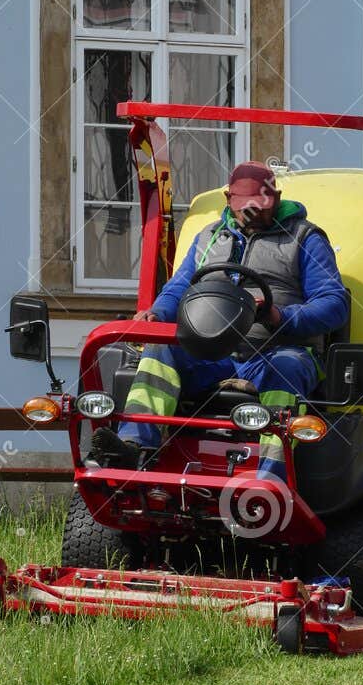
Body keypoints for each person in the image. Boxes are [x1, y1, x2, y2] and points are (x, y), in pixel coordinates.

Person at [88, 161, 348, 482]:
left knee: (288, 367)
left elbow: (334, 304)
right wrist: (157, 313)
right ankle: (133, 447)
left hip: (276, 351)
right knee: (160, 351)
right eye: (245, 207)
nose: (254, 214)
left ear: (277, 198)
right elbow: (178, 289)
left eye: (263, 206)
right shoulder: (207, 238)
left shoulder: (305, 239)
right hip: (214, 354)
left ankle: (272, 474)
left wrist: (279, 316)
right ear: (229, 200)